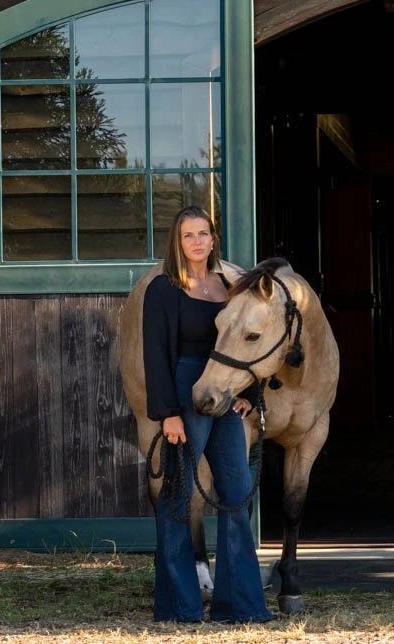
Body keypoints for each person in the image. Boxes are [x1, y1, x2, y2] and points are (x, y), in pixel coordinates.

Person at [143, 205, 273, 623]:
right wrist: (167, 413)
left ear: (214, 238)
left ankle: (240, 605)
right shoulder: (164, 289)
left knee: (235, 492)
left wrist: (249, 392)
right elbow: (156, 354)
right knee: (180, 494)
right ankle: (179, 606)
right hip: (184, 387)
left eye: (204, 233)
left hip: (225, 391)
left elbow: (244, 342)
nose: (198, 242)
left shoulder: (230, 285)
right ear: (177, 243)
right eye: (188, 235)